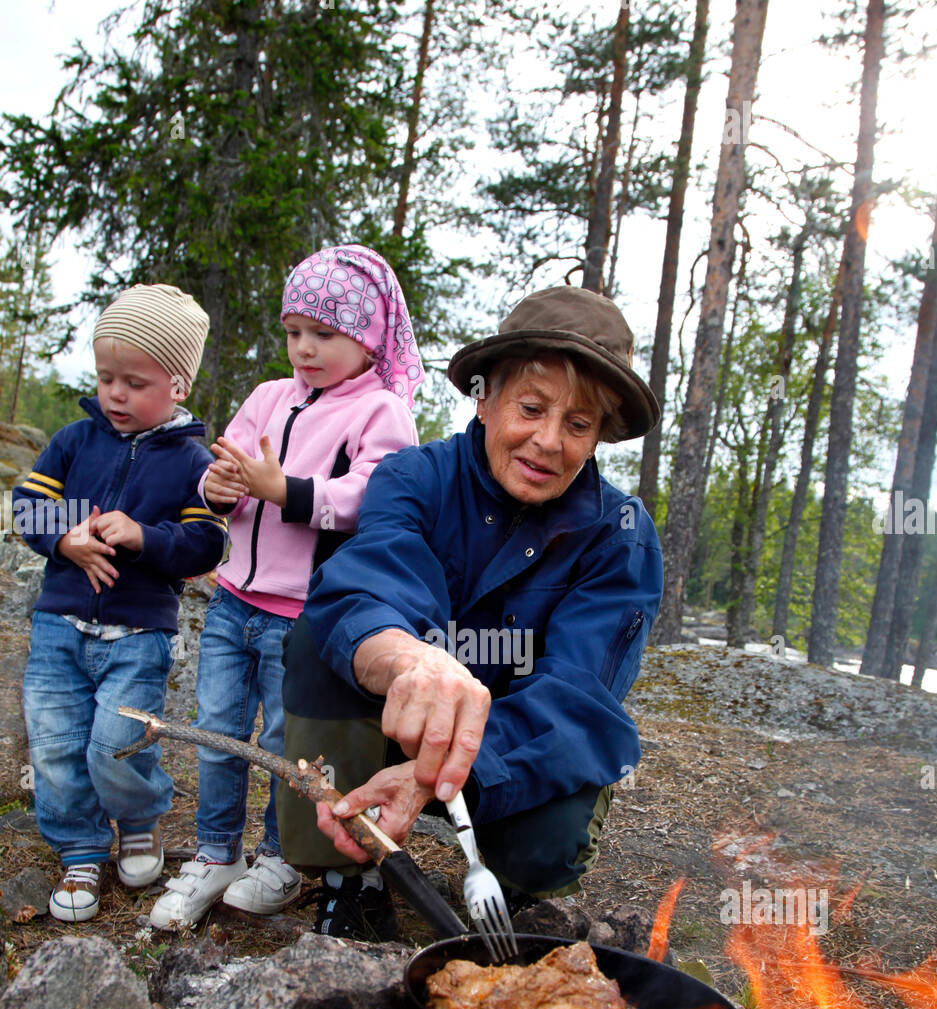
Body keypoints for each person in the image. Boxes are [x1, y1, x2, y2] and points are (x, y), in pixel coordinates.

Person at [279, 285, 663, 938]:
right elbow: (369, 584)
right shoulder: (411, 477)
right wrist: (412, 660)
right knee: (320, 633)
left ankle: (512, 888)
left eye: (577, 425)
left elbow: (578, 698)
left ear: (598, 435)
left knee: (546, 845)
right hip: (392, 713)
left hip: (514, 745)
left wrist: (441, 772)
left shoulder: (619, 534)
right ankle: (349, 872)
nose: (546, 442)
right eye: (531, 407)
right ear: (483, 398)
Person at [150, 245, 422, 928]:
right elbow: (227, 469)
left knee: (285, 740)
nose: (304, 348)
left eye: (324, 335)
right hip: (232, 599)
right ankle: (216, 853)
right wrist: (215, 488)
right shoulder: (270, 396)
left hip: (302, 615)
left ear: (368, 336)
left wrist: (287, 492)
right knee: (216, 728)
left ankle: (277, 855)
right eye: (294, 331)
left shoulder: (381, 410)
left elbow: (371, 497)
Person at [14, 283, 228, 922]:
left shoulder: (192, 462)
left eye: (135, 382)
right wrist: (66, 538)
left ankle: (137, 821)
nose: (115, 394)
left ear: (178, 385)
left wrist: (143, 536)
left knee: (116, 742)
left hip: (139, 633)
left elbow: (204, 543)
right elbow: (30, 504)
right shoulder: (76, 441)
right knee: (55, 742)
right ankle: (79, 848)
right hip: (58, 623)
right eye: (106, 377)